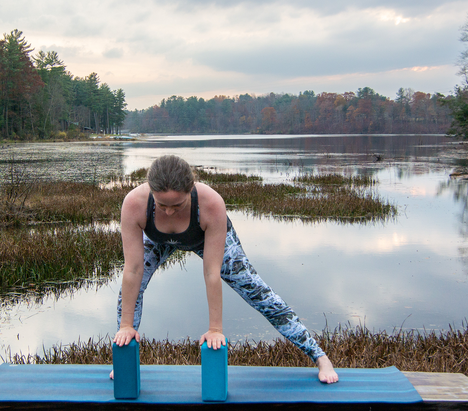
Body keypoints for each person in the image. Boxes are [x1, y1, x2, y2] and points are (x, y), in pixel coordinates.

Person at [112, 155, 338, 384]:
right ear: (150, 191)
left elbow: (212, 272)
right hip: (158, 240)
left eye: (177, 205)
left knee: (259, 293)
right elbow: (132, 270)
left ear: (191, 189)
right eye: (162, 205)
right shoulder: (134, 204)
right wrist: (126, 326)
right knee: (131, 290)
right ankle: (123, 357)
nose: (169, 212)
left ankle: (320, 357)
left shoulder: (210, 203)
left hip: (204, 238)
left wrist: (215, 329)